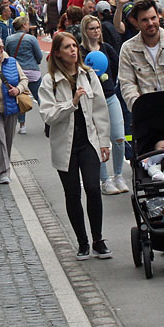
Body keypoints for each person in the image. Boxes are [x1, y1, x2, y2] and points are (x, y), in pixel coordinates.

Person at [39, 30, 112, 260]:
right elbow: (48, 115)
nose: (73, 50)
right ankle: (82, 242)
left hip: (89, 142)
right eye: (68, 47)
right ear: (58, 54)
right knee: (72, 194)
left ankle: (98, 239)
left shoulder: (89, 76)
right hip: (65, 146)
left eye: (74, 46)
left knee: (92, 188)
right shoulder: (50, 81)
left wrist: (104, 142)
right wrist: (72, 104)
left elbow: (101, 112)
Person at [80, 15, 127, 194]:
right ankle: (105, 180)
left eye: (98, 28)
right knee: (98, 140)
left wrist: (111, 83)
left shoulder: (106, 48)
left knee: (118, 137)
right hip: (91, 100)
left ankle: (118, 175)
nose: (96, 31)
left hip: (109, 95)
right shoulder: (81, 52)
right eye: (92, 28)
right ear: (86, 31)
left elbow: (116, 66)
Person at [0, 35, 29, 186]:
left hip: (11, 109)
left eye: (1, 47)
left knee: (8, 141)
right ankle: (4, 172)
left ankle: (5, 167)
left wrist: (18, 89)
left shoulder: (12, 62)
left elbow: (24, 80)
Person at [7, 17, 44, 135]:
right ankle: (47, 122)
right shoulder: (31, 39)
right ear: (23, 25)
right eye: (27, 24)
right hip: (32, 70)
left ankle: (22, 125)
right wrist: (35, 62)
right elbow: (39, 55)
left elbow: (7, 55)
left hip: (17, 72)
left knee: (20, 98)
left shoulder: (9, 39)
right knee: (41, 97)